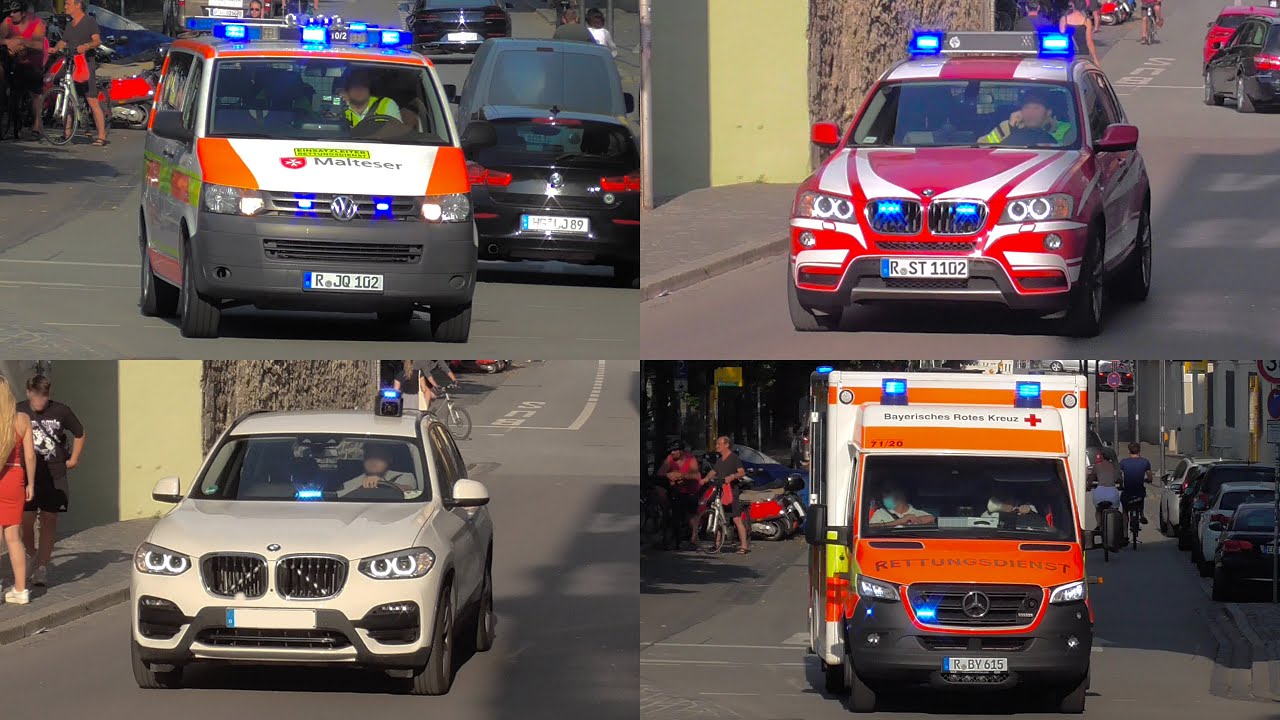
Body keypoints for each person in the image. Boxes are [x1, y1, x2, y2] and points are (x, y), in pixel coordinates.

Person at [17, 375, 84, 588]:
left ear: (49, 395)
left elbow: (80, 432)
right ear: (29, 394)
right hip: (28, 473)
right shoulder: (19, 410)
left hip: (55, 472)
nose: (40, 402)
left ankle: (42, 567)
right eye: (36, 397)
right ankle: (31, 554)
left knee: (49, 518)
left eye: (44, 397)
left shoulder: (61, 411)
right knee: (25, 520)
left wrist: (73, 459)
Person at [0, 376, 35, 604]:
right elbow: (30, 456)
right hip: (15, 476)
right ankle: (21, 590)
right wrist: (31, 483)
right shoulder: (22, 419)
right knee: (13, 537)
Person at [51, 0, 106, 146]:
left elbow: (97, 41)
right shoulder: (70, 24)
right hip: (71, 64)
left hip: (85, 65)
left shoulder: (89, 21)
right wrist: (55, 49)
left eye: (68, 3)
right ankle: (66, 133)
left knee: (92, 100)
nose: (66, 6)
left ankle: (101, 136)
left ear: (78, 5)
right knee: (68, 98)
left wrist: (86, 46)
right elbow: (64, 41)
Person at [0, 0, 48, 140]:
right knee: (12, 93)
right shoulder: (7, 22)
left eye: (15, 12)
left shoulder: (37, 23)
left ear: (23, 13)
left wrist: (21, 41)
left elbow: (39, 45)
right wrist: (8, 42)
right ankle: (10, 124)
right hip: (15, 62)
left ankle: (36, 127)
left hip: (33, 62)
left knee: (36, 95)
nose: (12, 15)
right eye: (10, 12)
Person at [700, 436, 750, 554]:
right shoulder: (719, 459)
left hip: (732, 490)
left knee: (736, 518)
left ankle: (744, 546)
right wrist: (706, 478)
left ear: (727, 445)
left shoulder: (734, 458)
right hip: (720, 489)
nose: (717, 446)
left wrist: (732, 477)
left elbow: (741, 472)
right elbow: (714, 471)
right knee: (717, 515)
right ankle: (716, 544)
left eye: (719, 444)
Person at [981, 90, 1073, 146]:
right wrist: (1009, 127)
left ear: (1048, 112)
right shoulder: (1007, 126)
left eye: (1036, 108)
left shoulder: (1068, 130)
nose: (1030, 113)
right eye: (1027, 107)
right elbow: (982, 146)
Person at [658, 440, 700, 550]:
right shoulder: (670, 459)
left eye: (674, 451)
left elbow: (696, 475)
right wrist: (669, 474)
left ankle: (694, 540)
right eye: (670, 451)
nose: (671, 453)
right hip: (677, 491)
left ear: (680, 451)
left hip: (691, 491)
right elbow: (660, 473)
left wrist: (681, 475)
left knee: (691, 515)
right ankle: (676, 541)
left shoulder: (691, 459)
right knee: (675, 515)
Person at [336, 444, 414, 497]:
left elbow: (409, 492)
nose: (373, 461)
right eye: (369, 456)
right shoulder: (349, 484)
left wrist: (382, 482)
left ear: (389, 459)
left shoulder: (404, 476)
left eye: (379, 457)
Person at [1118, 442, 1153, 525]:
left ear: (1129, 451)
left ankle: (1125, 532)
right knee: (1141, 496)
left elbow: (1119, 476)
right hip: (1139, 492)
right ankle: (1142, 514)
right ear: (1139, 451)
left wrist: (1120, 484)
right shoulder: (1145, 462)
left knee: (1125, 510)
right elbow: (1150, 477)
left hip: (1128, 491)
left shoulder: (1123, 462)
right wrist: (1148, 480)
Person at [870, 486, 935, 527]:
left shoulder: (921, 514)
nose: (883, 495)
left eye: (888, 491)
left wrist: (919, 521)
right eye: (883, 492)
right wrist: (898, 522)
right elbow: (868, 528)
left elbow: (936, 524)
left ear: (901, 493)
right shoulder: (880, 513)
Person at [1059, 1, 1100, 65]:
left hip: (1068, 54)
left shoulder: (1064, 19)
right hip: (1083, 54)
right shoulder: (1086, 21)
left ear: (1073, 5)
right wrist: (1095, 58)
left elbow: (1062, 38)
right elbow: (1089, 42)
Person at [1091, 452, 1121, 534]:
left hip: (1100, 491)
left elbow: (1091, 478)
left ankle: (1098, 524)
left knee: (1098, 509)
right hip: (1111, 491)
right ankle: (1115, 525)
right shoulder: (1115, 466)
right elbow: (1119, 478)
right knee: (1115, 510)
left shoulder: (1097, 466)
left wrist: (1088, 486)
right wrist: (1121, 485)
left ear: (1102, 457)